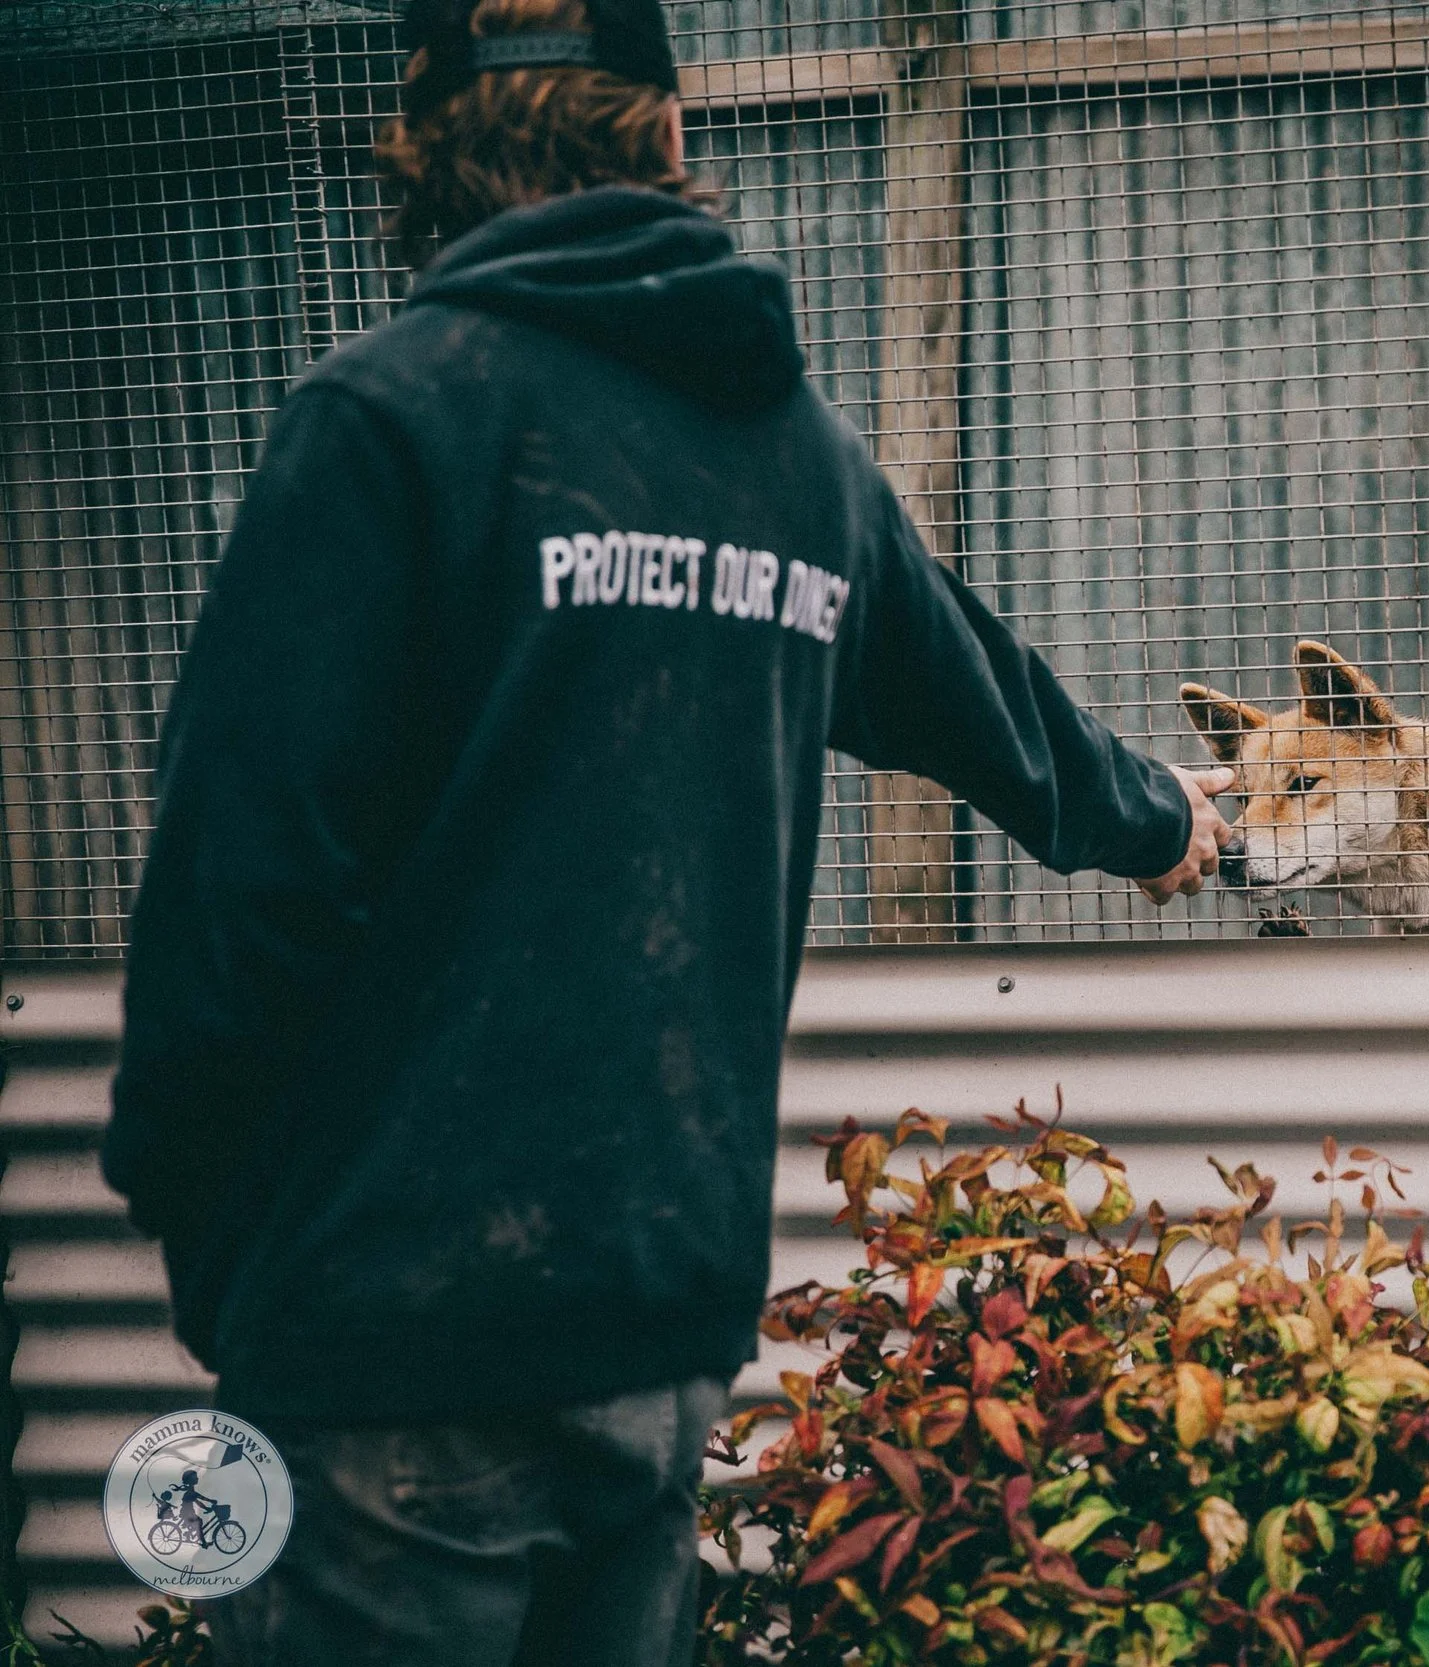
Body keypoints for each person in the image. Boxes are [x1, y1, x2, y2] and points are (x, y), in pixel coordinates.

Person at [98, 0, 1231, 1660]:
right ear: (673, 136)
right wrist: (1155, 816)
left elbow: (234, 893)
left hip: (392, 1335)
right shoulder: (792, 457)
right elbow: (978, 697)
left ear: (419, 140)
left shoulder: (394, 421)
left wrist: (209, 1243)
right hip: (656, 1320)